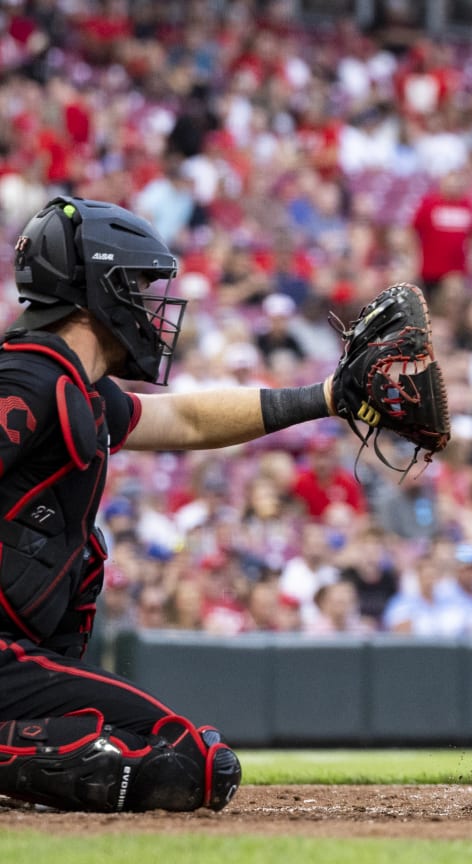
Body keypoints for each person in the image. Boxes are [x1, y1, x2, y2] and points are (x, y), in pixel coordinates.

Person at [0, 197, 351, 812]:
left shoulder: (78, 387)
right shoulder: (27, 380)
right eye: (135, 285)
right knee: (183, 757)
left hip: (15, 660)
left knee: (187, 757)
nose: (148, 305)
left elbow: (187, 419)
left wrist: (327, 395)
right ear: (94, 289)